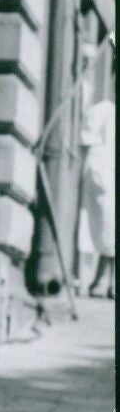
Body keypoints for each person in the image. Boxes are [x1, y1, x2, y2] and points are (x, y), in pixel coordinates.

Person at [79, 57, 115, 299]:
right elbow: (89, 144)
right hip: (106, 176)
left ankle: (106, 280)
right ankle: (101, 279)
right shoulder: (105, 111)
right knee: (107, 226)